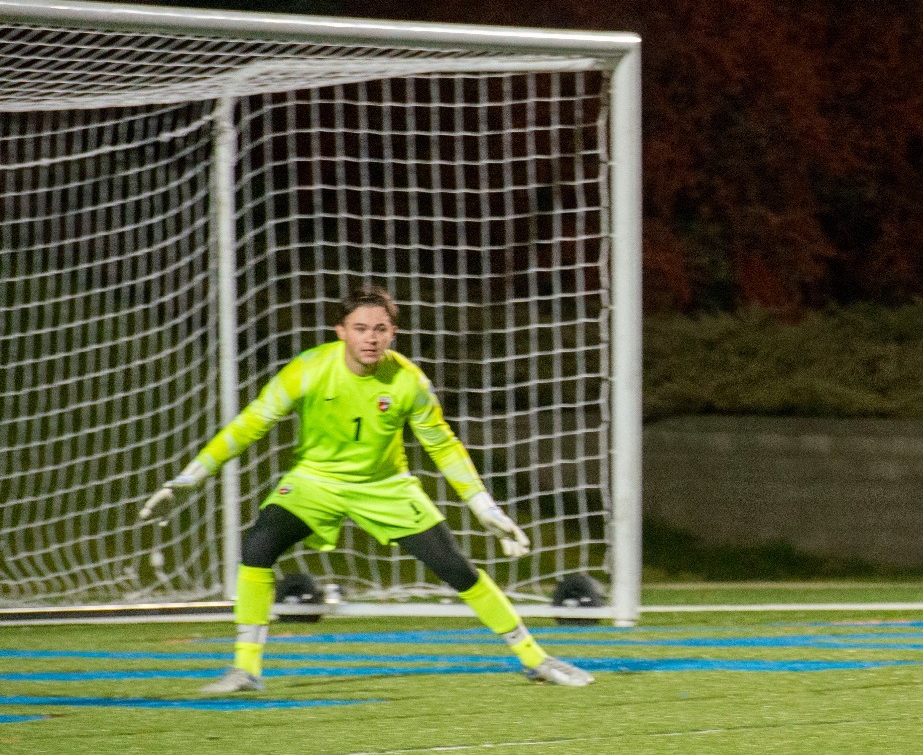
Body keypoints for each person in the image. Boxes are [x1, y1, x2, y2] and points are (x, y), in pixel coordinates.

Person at [138, 285, 593, 693]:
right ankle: (245, 670)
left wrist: (481, 504)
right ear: (340, 332)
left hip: (385, 486)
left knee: (454, 566)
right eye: (360, 328)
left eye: (380, 329)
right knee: (257, 545)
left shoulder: (408, 381)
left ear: (393, 333)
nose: (370, 338)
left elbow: (443, 445)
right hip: (315, 481)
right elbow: (249, 424)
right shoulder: (308, 370)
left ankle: (537, 660)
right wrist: (191, 476)